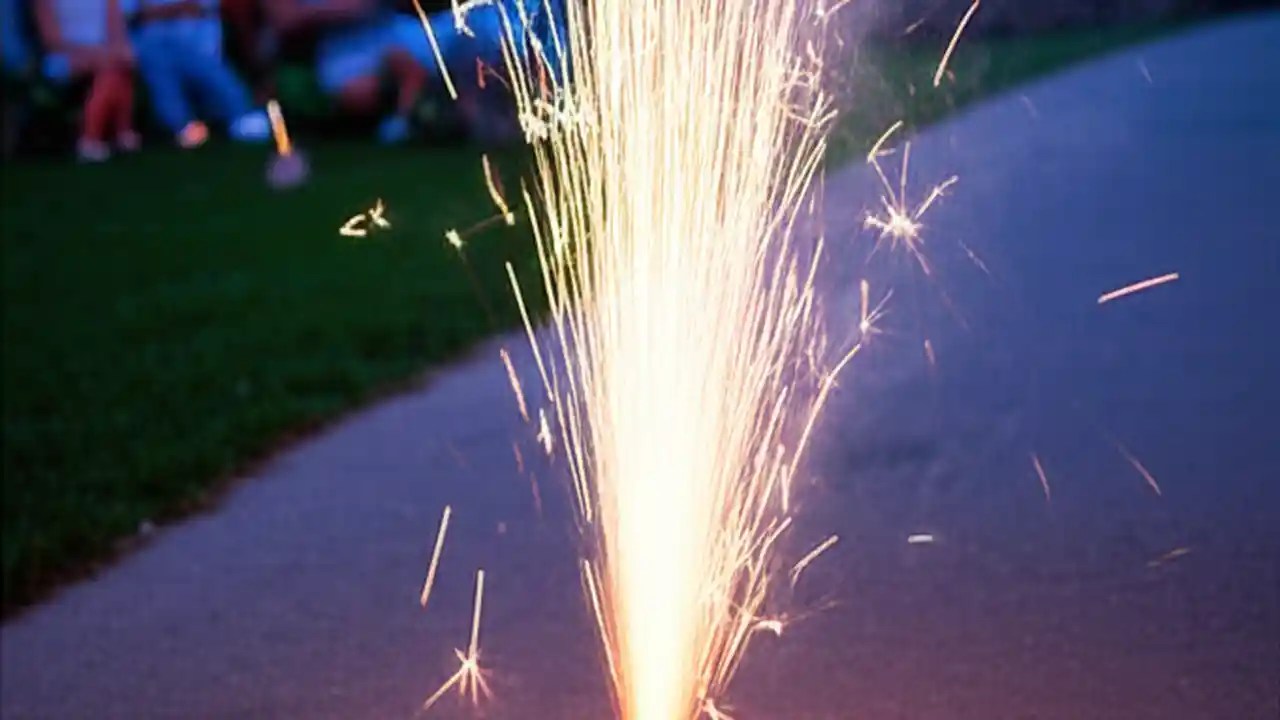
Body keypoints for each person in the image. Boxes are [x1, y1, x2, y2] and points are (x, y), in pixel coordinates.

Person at [264, 0, 426, 143]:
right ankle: (403, 121)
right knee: (362, 92)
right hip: (332, 54)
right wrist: (342, 9)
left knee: (414, 59)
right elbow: (285, 20)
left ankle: (408, 119)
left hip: (392, 32)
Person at [130, 0, 271, 148]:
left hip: (196, 46)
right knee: (159, 64)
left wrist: (159, 13)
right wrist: (177, 9)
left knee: (207, 69)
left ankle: (241, 116)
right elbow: (136, 15)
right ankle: (180, 127)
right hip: (149, 45)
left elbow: (201, 7)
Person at [34, 0, 140, 161]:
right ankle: (116, 134)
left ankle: (94, 139)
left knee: (115, 68)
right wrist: (93, 55)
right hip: (63, 56)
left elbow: (117, 32)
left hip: (103, 55)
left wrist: (112, 52)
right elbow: (51, 40)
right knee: (110, 68)